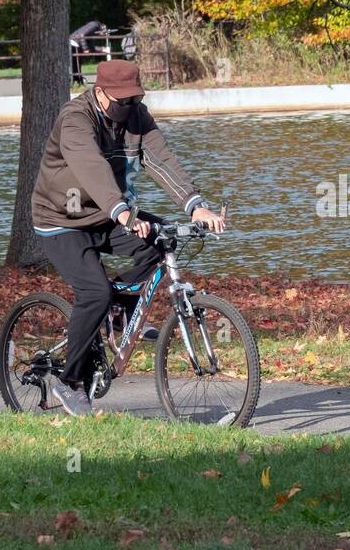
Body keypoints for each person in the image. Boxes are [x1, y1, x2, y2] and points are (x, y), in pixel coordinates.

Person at [31, 58, 226, 416]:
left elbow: (161, 160)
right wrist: (122, 211)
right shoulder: (75, 119)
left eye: (134, 99)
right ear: (100, 92)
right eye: (122, 101)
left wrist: (195, 205)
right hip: (62, 221)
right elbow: (92, 167)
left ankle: (120, 310)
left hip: (109, 215)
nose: (129, 107)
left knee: (162, 241)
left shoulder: (135, 115)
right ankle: (71, 382)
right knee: (95, 292)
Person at [68, 19, 108, 85]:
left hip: (75, 44)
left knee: (76, 65)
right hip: (73, 43)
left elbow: (90, 46)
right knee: (75, 65)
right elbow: (82, 35)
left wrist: (101, 49)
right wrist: (85, 49)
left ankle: (78, 82)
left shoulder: (92, 29)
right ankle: (76, 82)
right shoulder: (94, 25)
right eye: (103, 34)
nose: (101, 36)